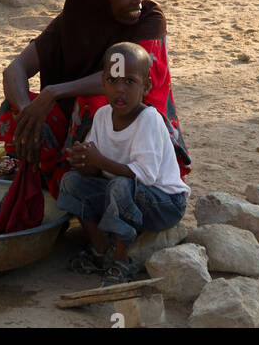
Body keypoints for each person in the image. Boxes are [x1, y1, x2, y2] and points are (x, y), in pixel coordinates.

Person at [0, 0, 189, 199]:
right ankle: (47, 176)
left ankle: (76, 180)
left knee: (94, 103)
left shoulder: (149, 18)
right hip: (83, 116)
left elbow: (118, 75)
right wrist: (27, 110)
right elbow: (14, 70)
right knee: (20, 105)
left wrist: (54, 91)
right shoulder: (73, 21)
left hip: (140, 121)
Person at [57, 41, 189, 281]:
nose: (120, 90)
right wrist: (82, 160)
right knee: (71, 181)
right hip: (123, 194)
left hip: (163, 202)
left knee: (120, 185)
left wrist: (99, 160)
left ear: (146, 85)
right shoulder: (101, 116)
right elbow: (93, 167)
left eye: (129, 82)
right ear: (102, 84)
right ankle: (101, 250)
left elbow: (145, 176)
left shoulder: (149, 120)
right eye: (112, 81)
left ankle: (121, 260)